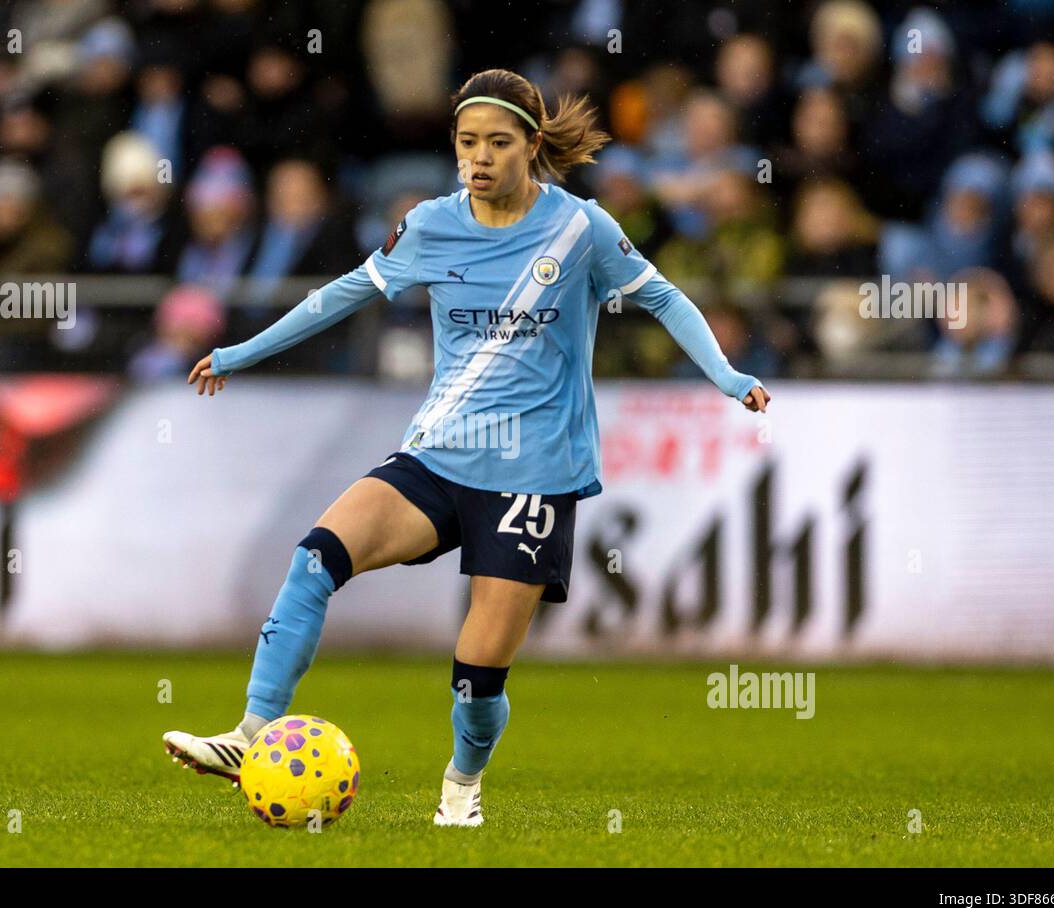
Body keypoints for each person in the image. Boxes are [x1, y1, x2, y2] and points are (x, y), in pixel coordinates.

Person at [162, 68, 770, 826]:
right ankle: (250, 735)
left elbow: (663, 296)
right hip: (439, 455)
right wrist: (239, 352)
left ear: (533, 145)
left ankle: (461, 786)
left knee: (477, 681)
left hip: (534, 476)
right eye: (465, 142)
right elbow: (340, 294)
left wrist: (724, 372)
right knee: (316, 557)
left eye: (497, 142)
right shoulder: (429, 225)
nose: (478, 158)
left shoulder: (582, 229)